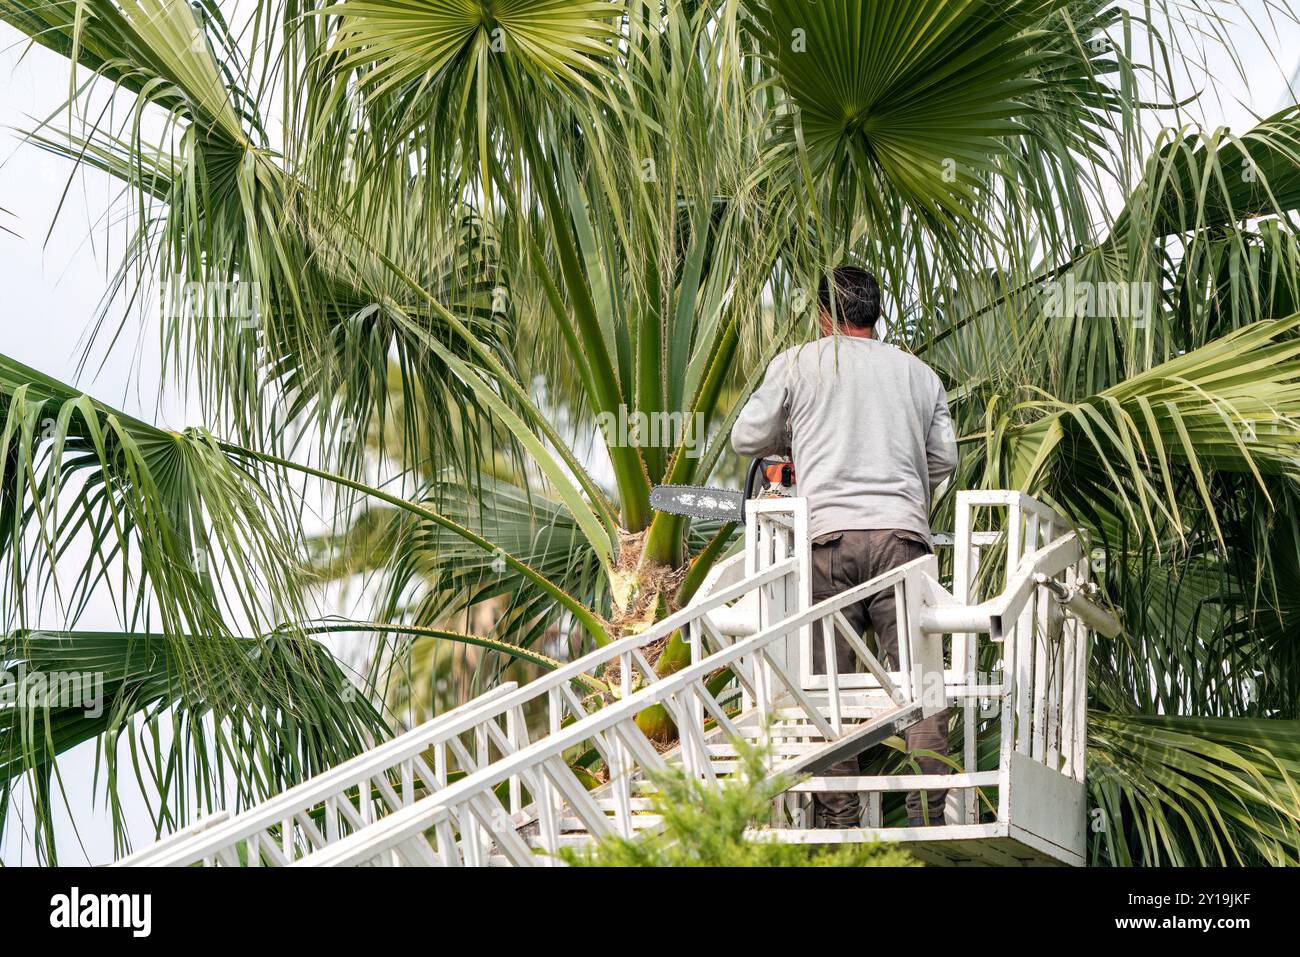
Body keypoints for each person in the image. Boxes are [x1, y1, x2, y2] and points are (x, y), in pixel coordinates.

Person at [731, 265, 958, 828]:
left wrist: (797, 437)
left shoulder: (799, 362)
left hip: (826, 544)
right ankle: (928, 814)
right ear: (876, 315)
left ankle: (840, 819)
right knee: (921, 679)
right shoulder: (919, 374)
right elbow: (944, 462)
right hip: (903, 541)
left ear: (824, 316)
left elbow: (745, 438)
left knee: (826, 686)